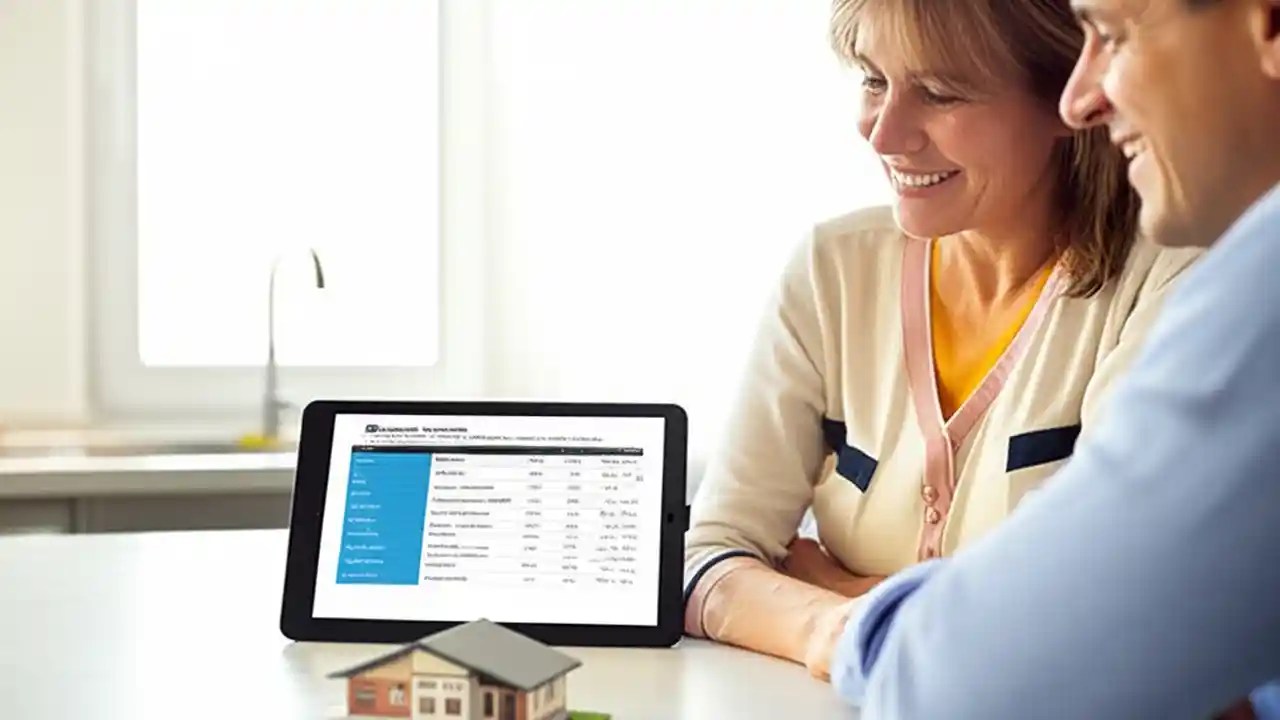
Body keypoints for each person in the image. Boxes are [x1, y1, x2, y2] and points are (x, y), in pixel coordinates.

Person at [682, 0, 1202, 680]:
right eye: (873, 80)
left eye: (939, 93)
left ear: (1068, 98)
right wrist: (831, 630)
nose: (884, 133)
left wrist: (850, 594)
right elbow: (709, 559)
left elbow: (1110, 617)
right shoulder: (834, 268)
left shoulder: (1168, 282)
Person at [828, 0, 1280, 717]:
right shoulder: (838, 261)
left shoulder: (1257, 290)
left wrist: (877, 615)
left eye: (1114, 35)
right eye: (871, 79)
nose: (1080, 98)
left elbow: (963, 683)